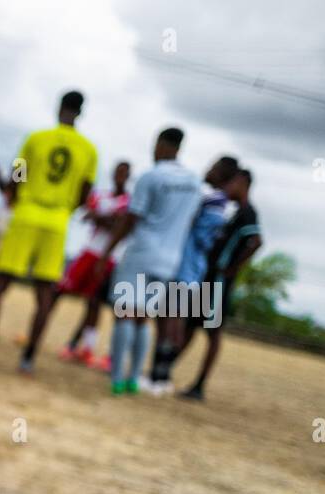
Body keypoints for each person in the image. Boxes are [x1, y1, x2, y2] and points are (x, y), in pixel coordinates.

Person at [0, 91, 98, 373]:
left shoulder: (37, 138)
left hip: (26, 214)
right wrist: (64, 208)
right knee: (45, 293)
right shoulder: (89, 150)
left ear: (60, 108)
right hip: (57, 222)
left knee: (1, 283)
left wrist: (15, 198)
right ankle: (28, 358)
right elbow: (85, 193)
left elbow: (17, 175)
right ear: (80, 112)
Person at [96, 127, 201, 395]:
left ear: (164, 145)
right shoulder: (194, 183)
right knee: (144, 317)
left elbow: (132, 218)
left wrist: (107, 251)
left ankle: (117, 377)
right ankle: (133, 378)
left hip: (142, 253)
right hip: (169, 260)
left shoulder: (151, 177)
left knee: (125, 314)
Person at [147, 155, 240, 392]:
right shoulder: (218, 201)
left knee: (170, 319)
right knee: (172, 318)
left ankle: (159, 375)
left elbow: (199, 234)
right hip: (191, 268)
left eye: (214, 167)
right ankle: (161, 374)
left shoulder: (212, 201)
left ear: (222, 174)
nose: (207, 169)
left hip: (185, 267)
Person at [178, 169, 262, 401]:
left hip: (219, 281)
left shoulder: (247, 213)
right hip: (211, 277)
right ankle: (165, 370)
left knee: (212, 332)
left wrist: (233, 268)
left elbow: (256, 241)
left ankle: (199, 384)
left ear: (243, 183)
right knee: (191, 325)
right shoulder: (235, 213)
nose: (228, 187)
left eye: (232, 182)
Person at [54, 160, 131, 368]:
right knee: (59, 291)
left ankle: (86, 348)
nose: (120, 176)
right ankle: (72, 345)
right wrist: (107, 219)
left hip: (110, 258)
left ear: (128, 176)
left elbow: (120, 225)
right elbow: (89, 214)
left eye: (124, 173)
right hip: (89, 251)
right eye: (118, 171)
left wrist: (102, 218)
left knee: (94, 301)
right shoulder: (102, 195)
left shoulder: (128, 201)